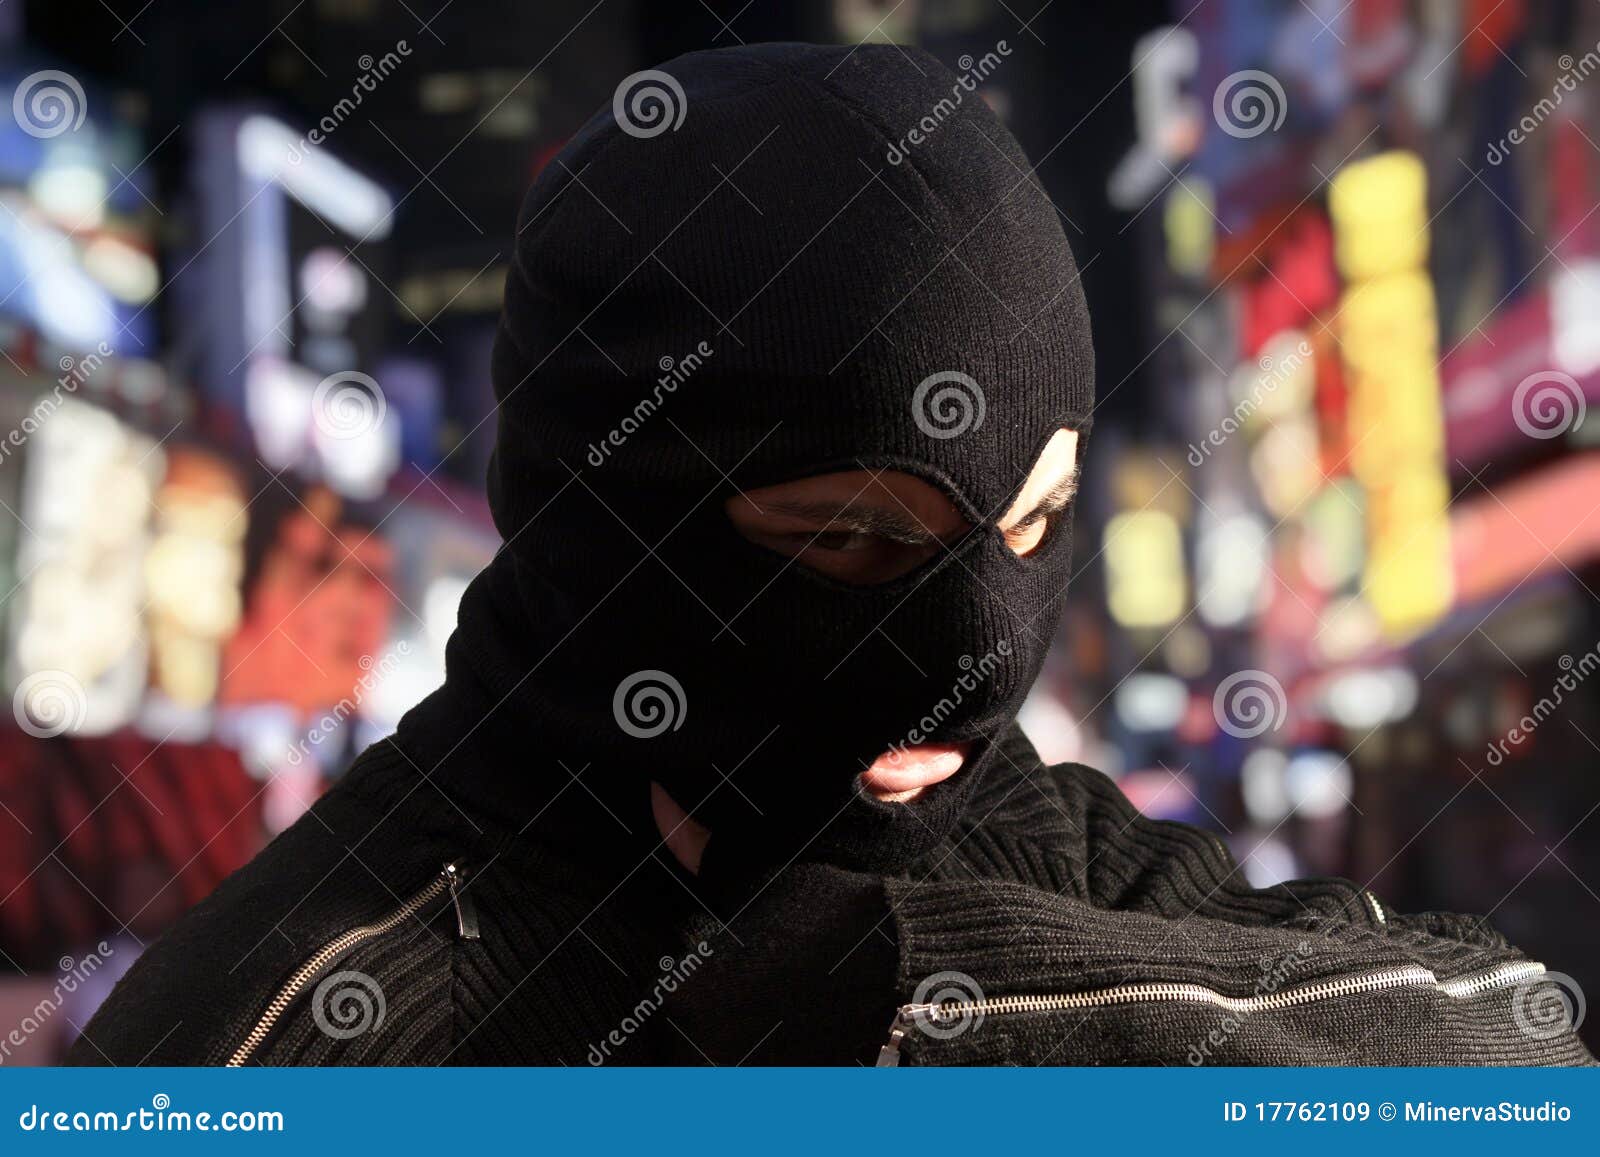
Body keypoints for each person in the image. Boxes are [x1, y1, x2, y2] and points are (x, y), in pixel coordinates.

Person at [70, 42, 1590, 1067]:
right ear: (601, 510)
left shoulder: (1033, 840)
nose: (981, 655)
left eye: (1035, 522)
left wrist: (941, 985)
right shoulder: (291, 1023)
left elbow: (1507, 1043)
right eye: (859, 537)